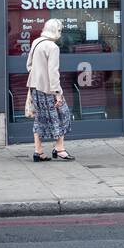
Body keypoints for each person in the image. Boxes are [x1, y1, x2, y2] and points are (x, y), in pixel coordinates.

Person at [25, 18, 74, 161]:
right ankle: (59, 149)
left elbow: (29, 65)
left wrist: (37, 76)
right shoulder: (53, 47)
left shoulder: (36, 42)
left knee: (40, 118)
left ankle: (38, 151)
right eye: (60, 30)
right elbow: (53, 73)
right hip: (48, 89)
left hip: (34, 87)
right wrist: (57, 93)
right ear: (56, 31)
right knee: (62, 115)